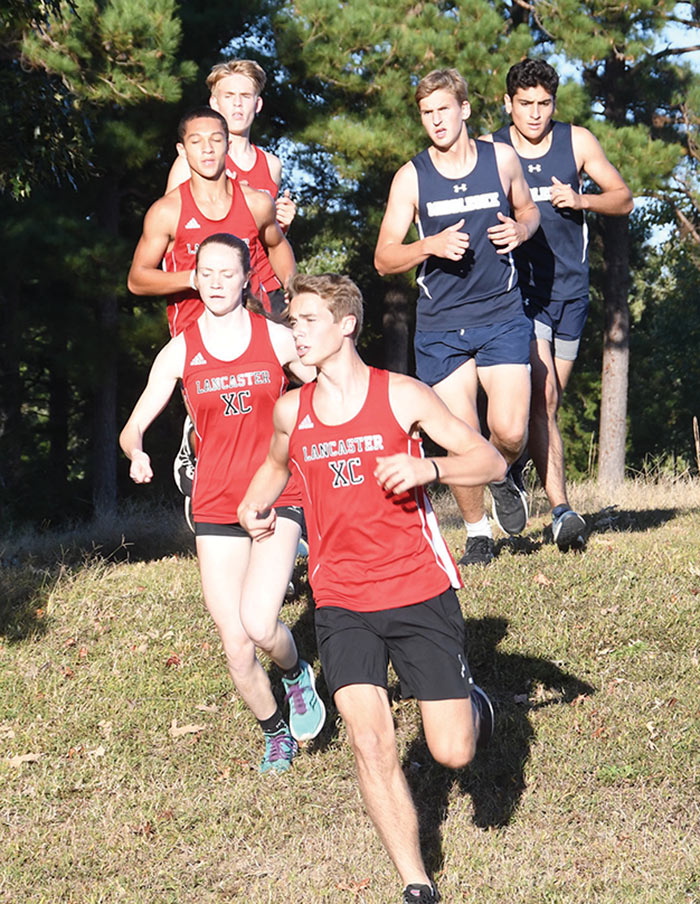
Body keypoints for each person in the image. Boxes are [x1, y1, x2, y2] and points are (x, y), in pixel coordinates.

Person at [238, 273, 506, 904]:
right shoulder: (290, 410)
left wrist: (428, 467)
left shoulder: (402, 396)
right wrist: (254, 508)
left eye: (305, 320)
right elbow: (274, 470)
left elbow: (490, 461)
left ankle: (477, 706)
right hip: (341, 599)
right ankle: (416, 882)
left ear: (346, 325)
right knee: (369, 738)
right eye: (292, 322)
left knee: (453, 752)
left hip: (418, 588)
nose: (294, 333)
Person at [120, 233, 325, 774]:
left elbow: (329, 389)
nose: (214, 282)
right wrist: (136, 449)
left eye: (226, 273)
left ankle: (296, 671)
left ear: (244, 279)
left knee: (261, 624)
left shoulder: (276, 340)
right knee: (236, 644)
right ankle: (274, 731)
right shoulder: (183, 348)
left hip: (280, 494)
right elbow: (135, 421)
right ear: (197, 276)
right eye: (205, 273)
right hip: (214, 504)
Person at [373, 69, 540, 566]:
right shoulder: (412, 176)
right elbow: (384, 258)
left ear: (464, 109)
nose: (435, 120)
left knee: (509, 431)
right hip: (442, 323)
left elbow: (529, 210)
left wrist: (522, 231)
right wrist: (428, 245)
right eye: (426, 113)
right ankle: (477, 534)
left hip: (502, 311)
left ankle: (501, 472)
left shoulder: (501, 159)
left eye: (443, 109)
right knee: (459, 434)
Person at [484, 59, 633, 550]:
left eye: (544, 104)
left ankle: (507, 471)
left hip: (570, 291)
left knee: (544, 407)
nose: (534, 114)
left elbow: (624, 198)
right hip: (519, 294)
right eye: (524, 104)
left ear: (554, 103)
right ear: (508, 104)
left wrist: (582, 200)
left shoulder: (578, 142)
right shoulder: (491, 150)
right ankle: (562, 514)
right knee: (543, 399)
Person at [128, 106, 295, 335]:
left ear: (228, 145)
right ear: (182, 150)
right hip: (195, 338)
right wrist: (194, 278)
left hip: (255, 330)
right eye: (196, 142)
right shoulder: (166, 212)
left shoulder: (257, 203)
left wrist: (293, 286)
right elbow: (137, 279)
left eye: (216, 140)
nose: (207, 149)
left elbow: (276, 245)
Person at [165, 59, 296, 241]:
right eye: (229, 96)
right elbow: (167, 228)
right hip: (208, 267)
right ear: (215, 103)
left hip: (256, 270)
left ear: (257, 104)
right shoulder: (193, 160)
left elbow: (266, 243)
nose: (237, 103)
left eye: (245, 96)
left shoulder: (272, 165)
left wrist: (282, 226)